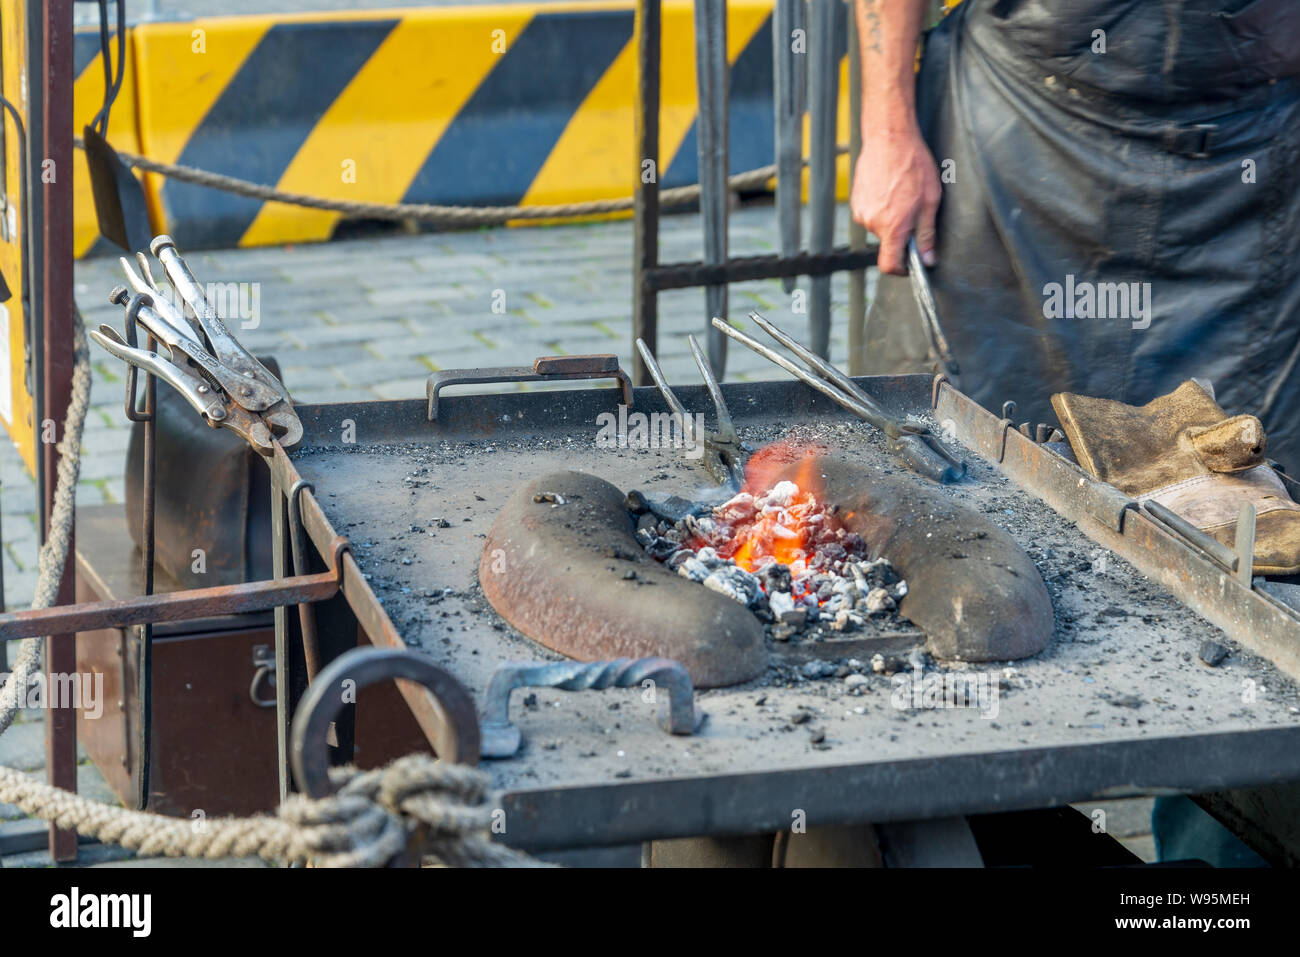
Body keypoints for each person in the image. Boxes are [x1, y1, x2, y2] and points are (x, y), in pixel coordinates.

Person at [849, 0, 1300, 470]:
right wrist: (888, 133)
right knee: (950, 459)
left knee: (1248, 492)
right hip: (1014, 122)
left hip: (1251, 153)